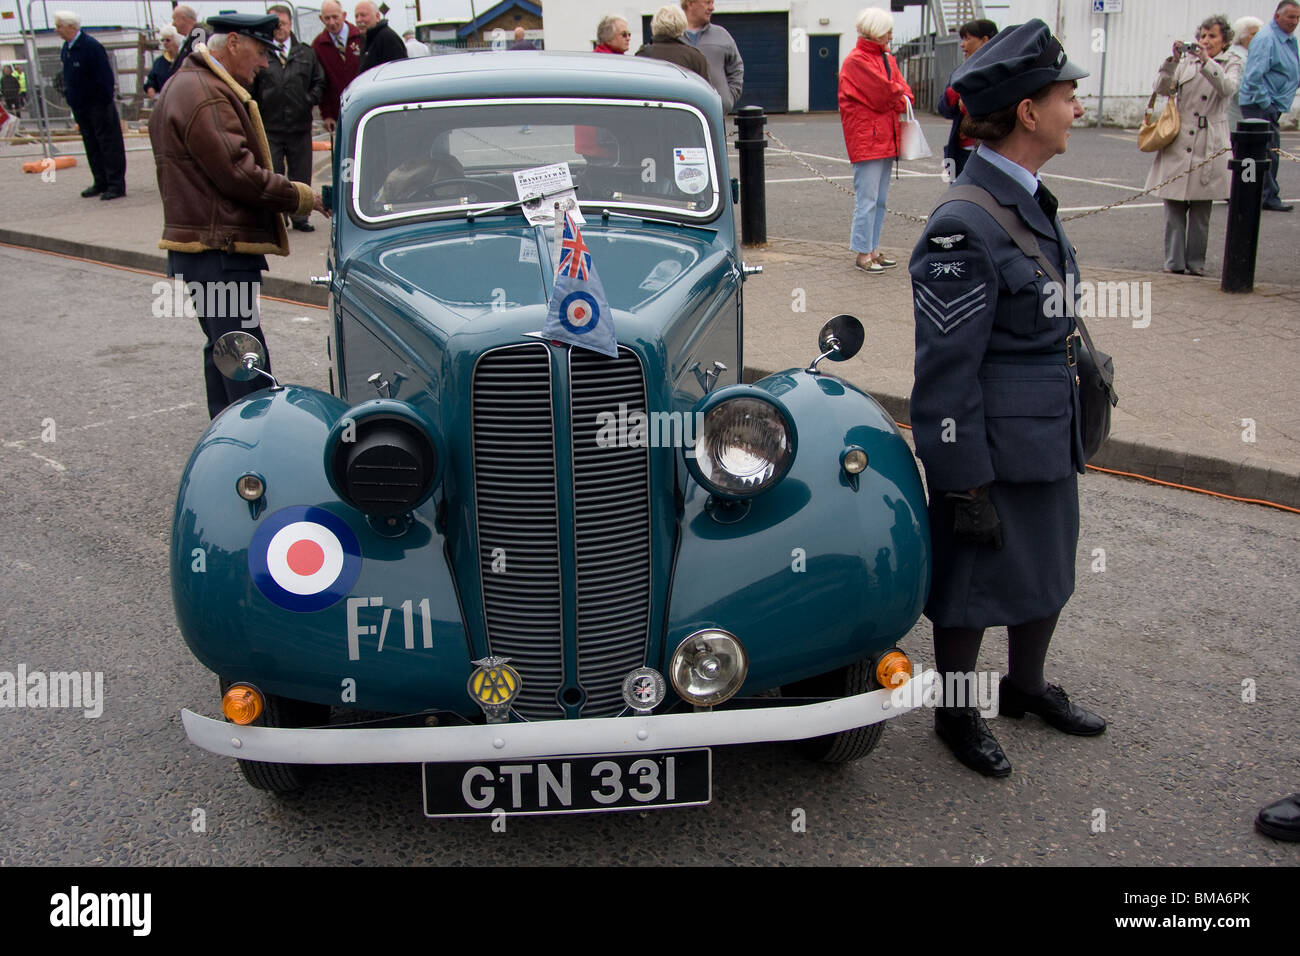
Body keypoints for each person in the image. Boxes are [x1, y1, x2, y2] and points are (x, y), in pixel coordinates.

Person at [908, 19, 1105, 778]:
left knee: (1048, 569)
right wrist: (962, 481)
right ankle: (956, 713)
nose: (1075, 109)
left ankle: (1024, 688)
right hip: (990, 443)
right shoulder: (963, 223)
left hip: (1047, 428)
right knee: (971, 586)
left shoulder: (1025, 195)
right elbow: (945, 371)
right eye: (1065, 96)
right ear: (1027, 111)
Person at [148, 13, 324, 419]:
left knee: (223, 347)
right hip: (219, 249)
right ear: (232, 43)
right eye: (260, 51)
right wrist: (303, 196)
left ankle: (227, 436)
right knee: (242, 349)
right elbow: (239, 173)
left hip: (207, 248)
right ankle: (257, 440)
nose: (263, 63)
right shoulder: (205, 92)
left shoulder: (189, 83)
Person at [1144, 17, 1240, 276]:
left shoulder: (1231, 62)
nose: (1205, 41)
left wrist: (1207, 61)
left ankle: (1196, 263)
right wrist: (1172, 61)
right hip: (1179, 136)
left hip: (1210, 139)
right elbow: (1161, 89)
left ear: (1225, 41)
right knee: (1173, 205)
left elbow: (1228, 88)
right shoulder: (1185, 61)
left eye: (1212, 37)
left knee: (1200, 211)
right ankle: (1173, 263)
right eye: (1203, 35)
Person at [838, 7, 912, 274]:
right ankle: (863, 252)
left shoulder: (884, 59)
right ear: (876, 32)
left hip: (881, 138)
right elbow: (888, 93)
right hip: (869, 139)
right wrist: (898, 95)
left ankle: (873, 249)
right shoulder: (857, 61)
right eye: (887, 31)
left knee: (878, 200)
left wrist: (897, 95)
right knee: (868, 199)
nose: (891, 35)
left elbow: (901, 94)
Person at [252, 5, 325, 233]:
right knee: (273, 173)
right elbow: (251, 86)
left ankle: (300, 216)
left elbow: (319, 81)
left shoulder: (305, 53)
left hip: (299, 126)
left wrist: (308, 99)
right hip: (270, 126)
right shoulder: (262, 54)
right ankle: (278, 217)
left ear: (290, 24)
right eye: (274, 25)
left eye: (282, 24)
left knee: (300, 174)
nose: (278, 29)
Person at [55, 11, 127, 201]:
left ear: (71, 27)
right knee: (91, 144)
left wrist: (103, 101)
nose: (57, 30)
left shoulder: (91, 47)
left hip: (99, 105)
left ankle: (115, 184)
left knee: (108, 144)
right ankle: (100, 181)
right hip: (81, 106)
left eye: (59, 26)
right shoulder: (67, 48)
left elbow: (105, 77)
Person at [1240, 0, 1300, 211]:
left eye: (1297, 18)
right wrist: (1268, 105)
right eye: (1290, 17)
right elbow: (1254, 76)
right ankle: (1264, 196)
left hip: (1272, 105)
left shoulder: (1287, 39)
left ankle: (1260, 195)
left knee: (1268, 152)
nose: (1295, 22)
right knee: (1266, 153)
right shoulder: (1267, 39)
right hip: (1261, 105)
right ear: (1277, 16)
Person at [937, 19, 998, 180]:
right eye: (962, 39)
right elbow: (944, 109)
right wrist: (954, 92)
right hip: (960, 149)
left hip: (990, 149)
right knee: (958, 192)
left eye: (968, 38)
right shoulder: (960, 72)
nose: (963, 45)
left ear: (985, 40)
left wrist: (970, 105)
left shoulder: (1000, 71)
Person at [311, 0, 363, 134]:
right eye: (327, 18)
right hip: (338, 113)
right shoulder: (318, 46)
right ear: (321, 19)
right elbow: (320, 81)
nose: (332, 22)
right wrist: (326, 114)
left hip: (363, 105)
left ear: (344, 15)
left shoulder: (360, 37)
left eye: (335, 17)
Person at [681, 0, 742, 112]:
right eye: (707, 2)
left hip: (715, 113)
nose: (712, 8)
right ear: (690, 3)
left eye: (712, 3)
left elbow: (736, 68)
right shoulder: (673, 36)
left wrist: (727, 98)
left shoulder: (722, 35)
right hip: (681, 113)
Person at [636, 5, 711, 82]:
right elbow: (706, 90)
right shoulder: (695, 57)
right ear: (682, 25)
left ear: (654, 24)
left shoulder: (643, 55)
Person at [1227, 15, 1265, 128]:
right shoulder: (1237, 57)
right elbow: (1239, 90)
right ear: (1241, 36)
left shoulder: (1252, 54)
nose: (1258, 37)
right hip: (1237, 113)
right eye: (1253, 34)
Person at [355, 1, 407, 74]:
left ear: (377, 16)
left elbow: (399, 70)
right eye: (356, 16)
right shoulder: (367, 39)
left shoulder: (387, 38)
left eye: (363, 15)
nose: (359, 20)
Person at [144, 26, 181, 97]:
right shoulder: (159, 62)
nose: (165, 43)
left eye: (168, 40)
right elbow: (152, 80)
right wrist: (150, 88)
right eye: (162, 40)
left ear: (177, 40)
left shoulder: (184, 60)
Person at [171, 5, 203, 73]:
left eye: (174, 19)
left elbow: (197, 66)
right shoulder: (190, 38)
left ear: (183, 19)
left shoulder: (199, 36)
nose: (173, 24)